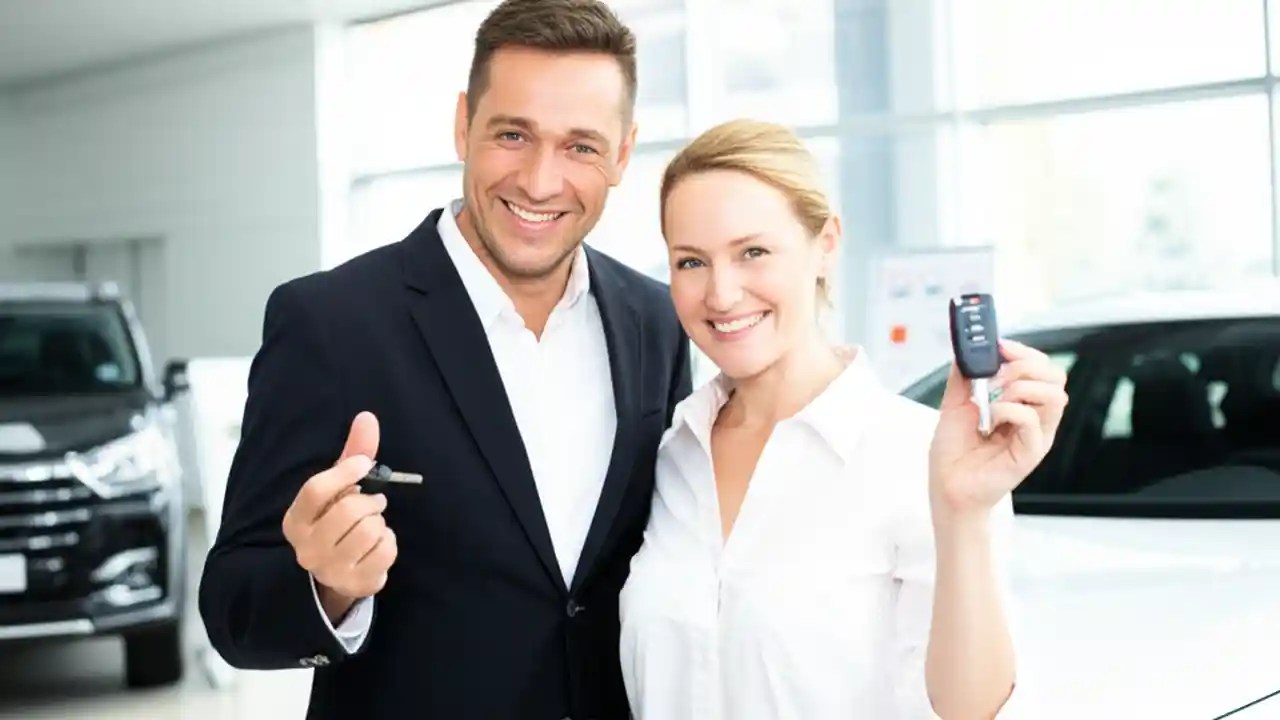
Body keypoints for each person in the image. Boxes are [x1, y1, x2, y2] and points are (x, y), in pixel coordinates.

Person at [198, 1, 691, 718]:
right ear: (464, 125)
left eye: (581, 146)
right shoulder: (330, 323)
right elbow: (232, 607)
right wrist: (327, 587)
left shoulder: (658, 320)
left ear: (622, 153)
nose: (540, 181)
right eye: (513, 134)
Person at [618, 119, 1068, 719]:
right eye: (692, 261)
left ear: (825, 245)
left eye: (753, 252)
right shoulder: (674, 453)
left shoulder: (917, 456)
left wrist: (962, 515)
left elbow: (969, 710)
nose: (721, 294)